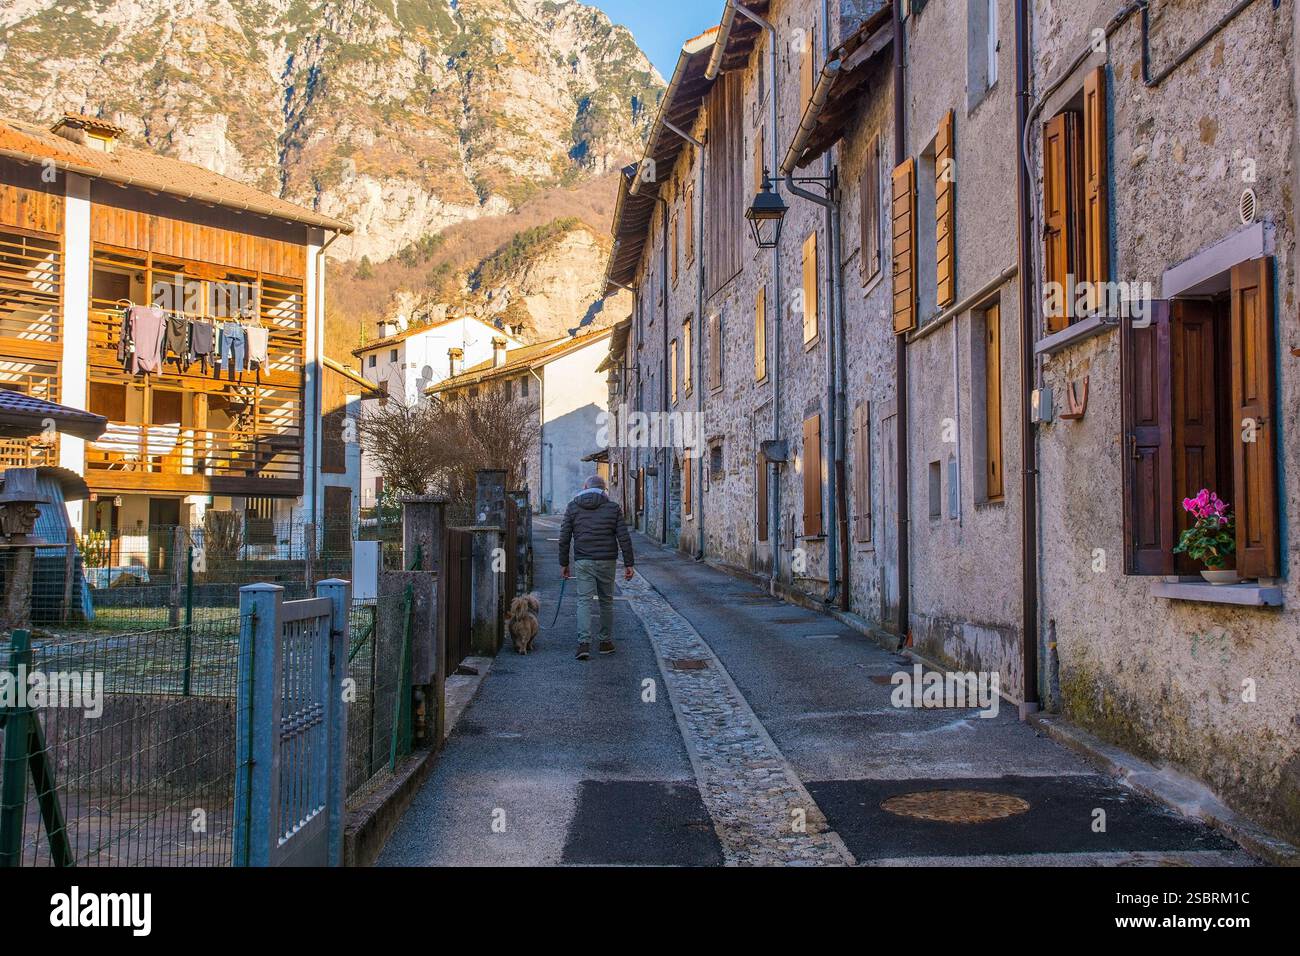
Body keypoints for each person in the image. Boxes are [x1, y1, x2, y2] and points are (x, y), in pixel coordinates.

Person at [558, 474, 635, 660]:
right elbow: (623, 537)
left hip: (583, 559)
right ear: (603, 489)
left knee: (584, 600)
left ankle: (584, 643)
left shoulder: (573, 507)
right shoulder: (613, 508)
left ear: (585, 487)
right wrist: (628, 563)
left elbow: (564, 537)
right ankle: (605, 642)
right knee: (606, 600)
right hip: (607, 559)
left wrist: (564, 563)